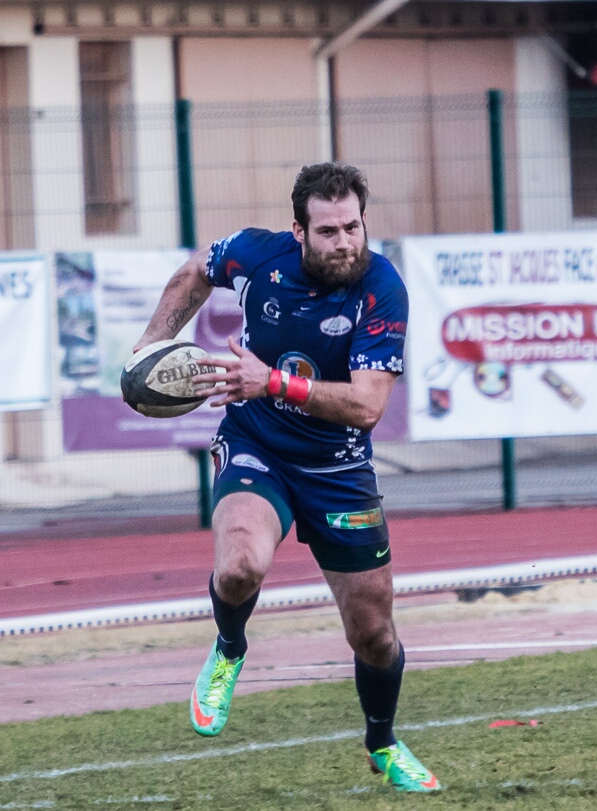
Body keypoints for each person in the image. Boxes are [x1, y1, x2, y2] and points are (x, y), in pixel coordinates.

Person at [131, 162, 441, 793]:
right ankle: (229, 648)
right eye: (327, 231)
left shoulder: (382, 287)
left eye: (352, 227)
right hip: (257, 443)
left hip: (339, 468)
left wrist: (271, 380)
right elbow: (196, 271)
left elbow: (367, 405)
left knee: (374, 633)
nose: (344, 242)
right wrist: (148, 348)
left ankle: (381, 742)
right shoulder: (257, 257)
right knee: (241, 564)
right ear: (297, 231)